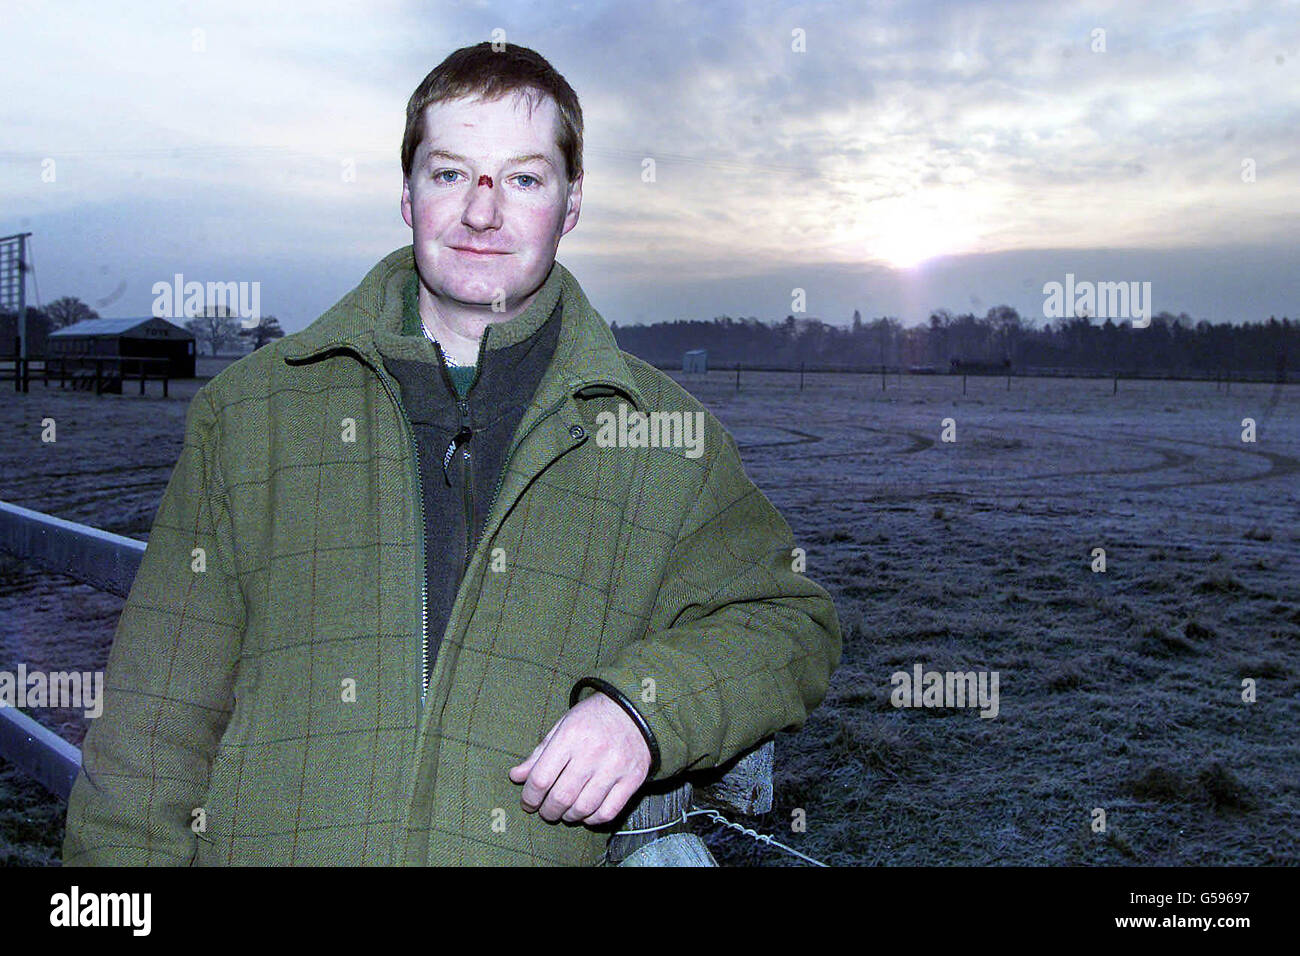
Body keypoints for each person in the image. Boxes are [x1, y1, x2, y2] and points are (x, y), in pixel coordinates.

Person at [62, 41, 841, 866]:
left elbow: (790, 620)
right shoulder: (253, 413)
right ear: (407, 194)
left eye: (524, 178)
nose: (482, 211)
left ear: (571, 203)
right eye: (450, 173)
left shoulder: (658, 433)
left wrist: (643, 711)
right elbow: (151, 729)